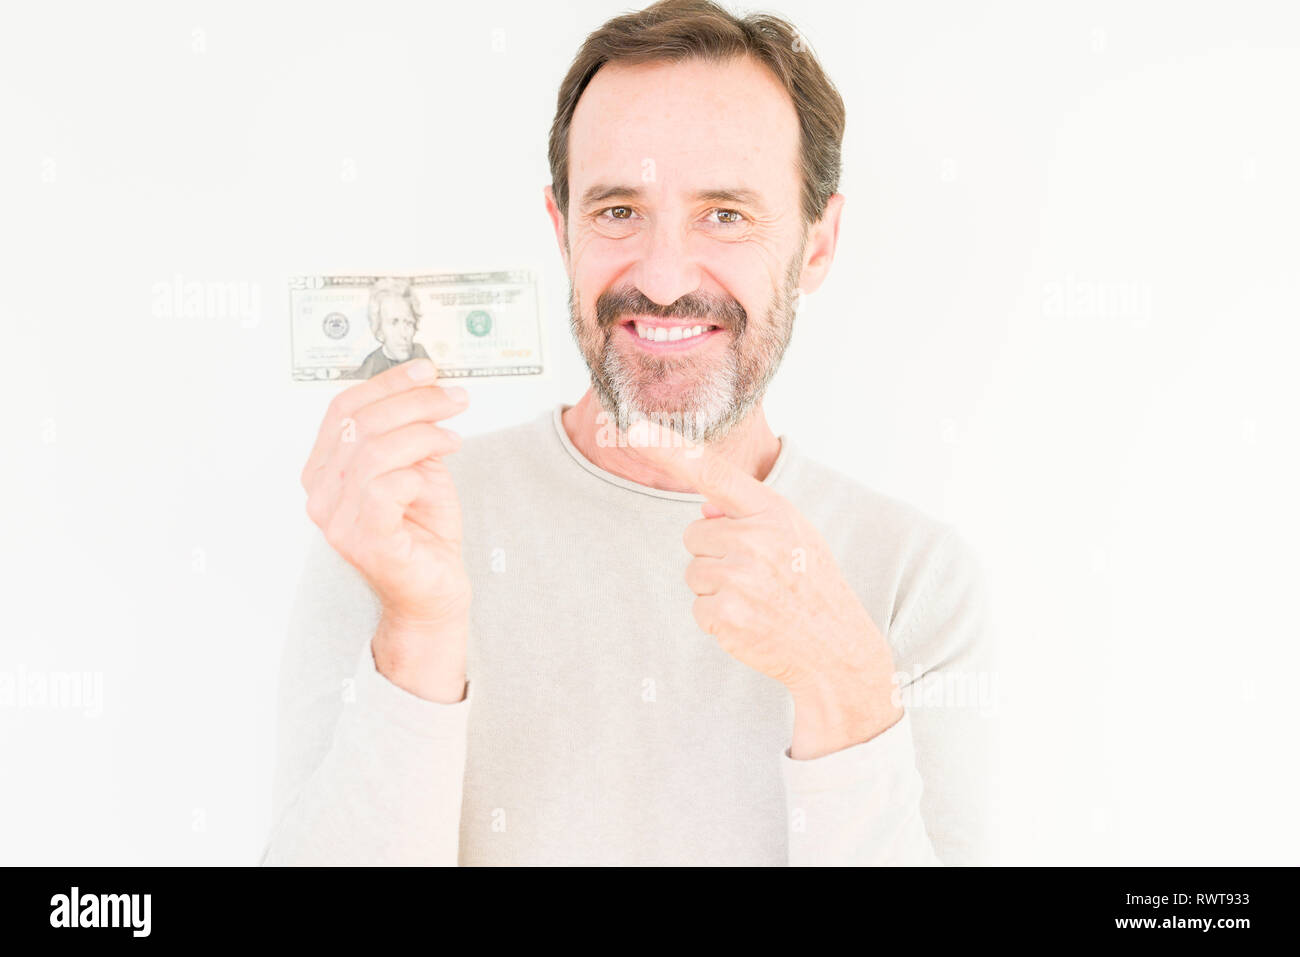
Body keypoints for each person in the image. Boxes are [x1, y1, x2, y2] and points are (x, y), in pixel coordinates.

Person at [261, 0, 996, 866]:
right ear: (560, 229)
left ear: (818, 244)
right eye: (618, 211)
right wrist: (417, 634)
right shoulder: (399, 525)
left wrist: (844, 690)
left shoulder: (916, 579)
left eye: (726, 213)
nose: (662, 277)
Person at [350, 277, 431, 379]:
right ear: (379, 330)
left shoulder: (419, 353)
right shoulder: (371, 365)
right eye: (394, 323)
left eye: (408, 323)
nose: (403, 334)